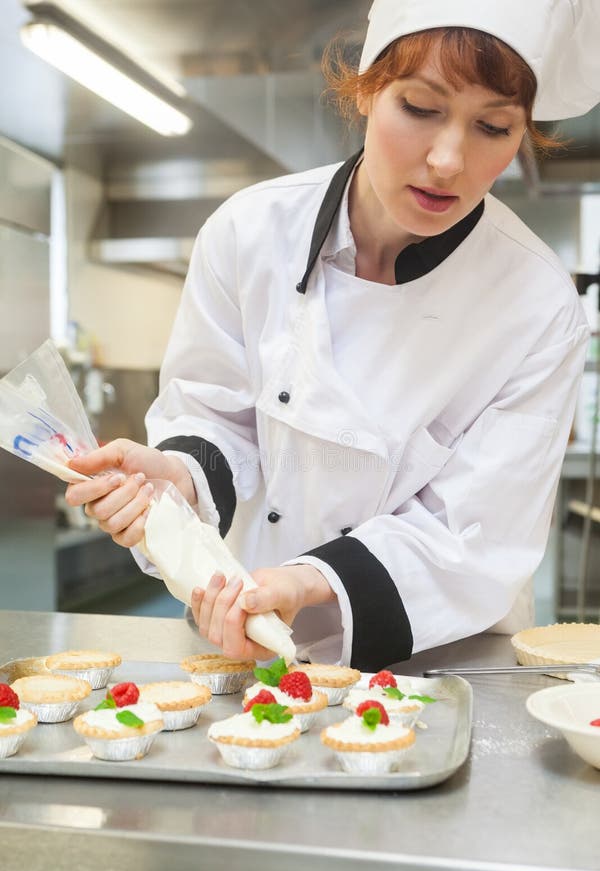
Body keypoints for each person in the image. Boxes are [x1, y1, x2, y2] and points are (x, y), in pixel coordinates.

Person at [66, 0, 600, 670]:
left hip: (442, 657)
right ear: (368, 87)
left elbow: (476, 534)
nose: (446, 160)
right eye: (420, 107)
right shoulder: (249, 232)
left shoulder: (539, 302)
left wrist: (300, 581)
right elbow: (218, 417)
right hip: (246, 638)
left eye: (493, 127)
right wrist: (174, 477)